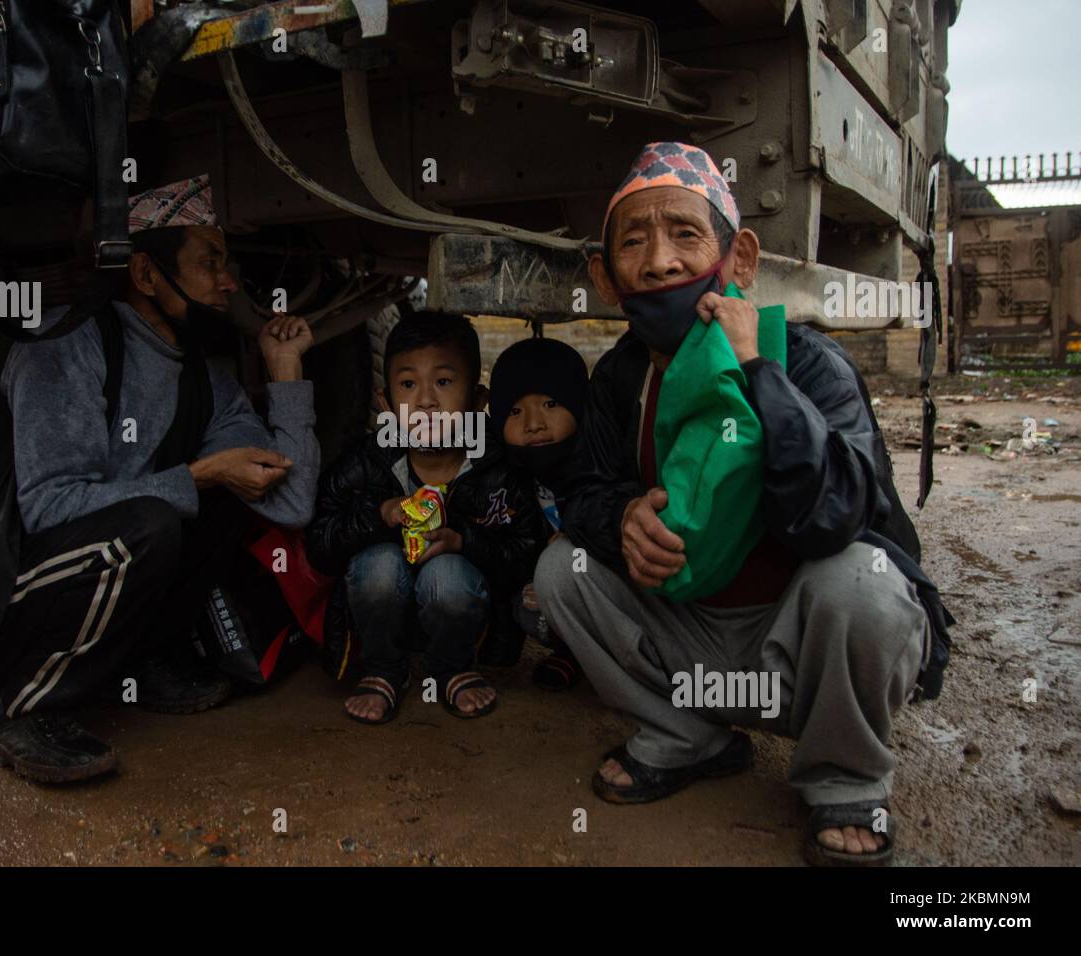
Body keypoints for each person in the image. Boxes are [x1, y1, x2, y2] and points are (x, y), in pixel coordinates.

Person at [533, 142, 952, 866]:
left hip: (799, 653)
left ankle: (844, 778)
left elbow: (835, 516)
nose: (661, 262)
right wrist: (621, 519)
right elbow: (582, 493)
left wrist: (757, 372)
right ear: (606, 279)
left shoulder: (810, 363)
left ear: (742, 260)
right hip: (691, 637)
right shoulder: (620, 379)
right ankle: (687, 735)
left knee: (865, 582)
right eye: (635, 242)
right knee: (560, 570)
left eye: (685, 235)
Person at [0, 175, 320, 782]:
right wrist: (197, 474)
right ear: (146, 274)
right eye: (210, 262)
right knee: (156, 518)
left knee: (224, 499)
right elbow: (51, 508)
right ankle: (23, 705)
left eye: (226, 262)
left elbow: (291, 504)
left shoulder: (206, 381)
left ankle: (135, 663)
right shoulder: (65, 345)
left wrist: (285, 374)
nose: (229, 281)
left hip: (99, 567)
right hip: (2, 593)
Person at [306, 313, 545, 724]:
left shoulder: (497, 468)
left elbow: (526, 555)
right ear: (385, 402)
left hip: (461, 609)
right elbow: (320, 546)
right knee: (378, 565)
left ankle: (452, 667)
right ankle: (384, 668)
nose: (426, 400)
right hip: (380, 610)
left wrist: (464, 541)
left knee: (447, 574)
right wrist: (378, 515)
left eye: (445, 382)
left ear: (477, 401)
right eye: (408, 384)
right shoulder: (369, 461)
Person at [488, 336, 589, 691]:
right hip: (558, 586)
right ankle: (571, 654)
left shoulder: (600, 465)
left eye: (550, 403)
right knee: (528, 608)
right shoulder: (507, 474)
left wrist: (582, 532)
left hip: (606, 586)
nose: (533, 423)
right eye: (515, 412)